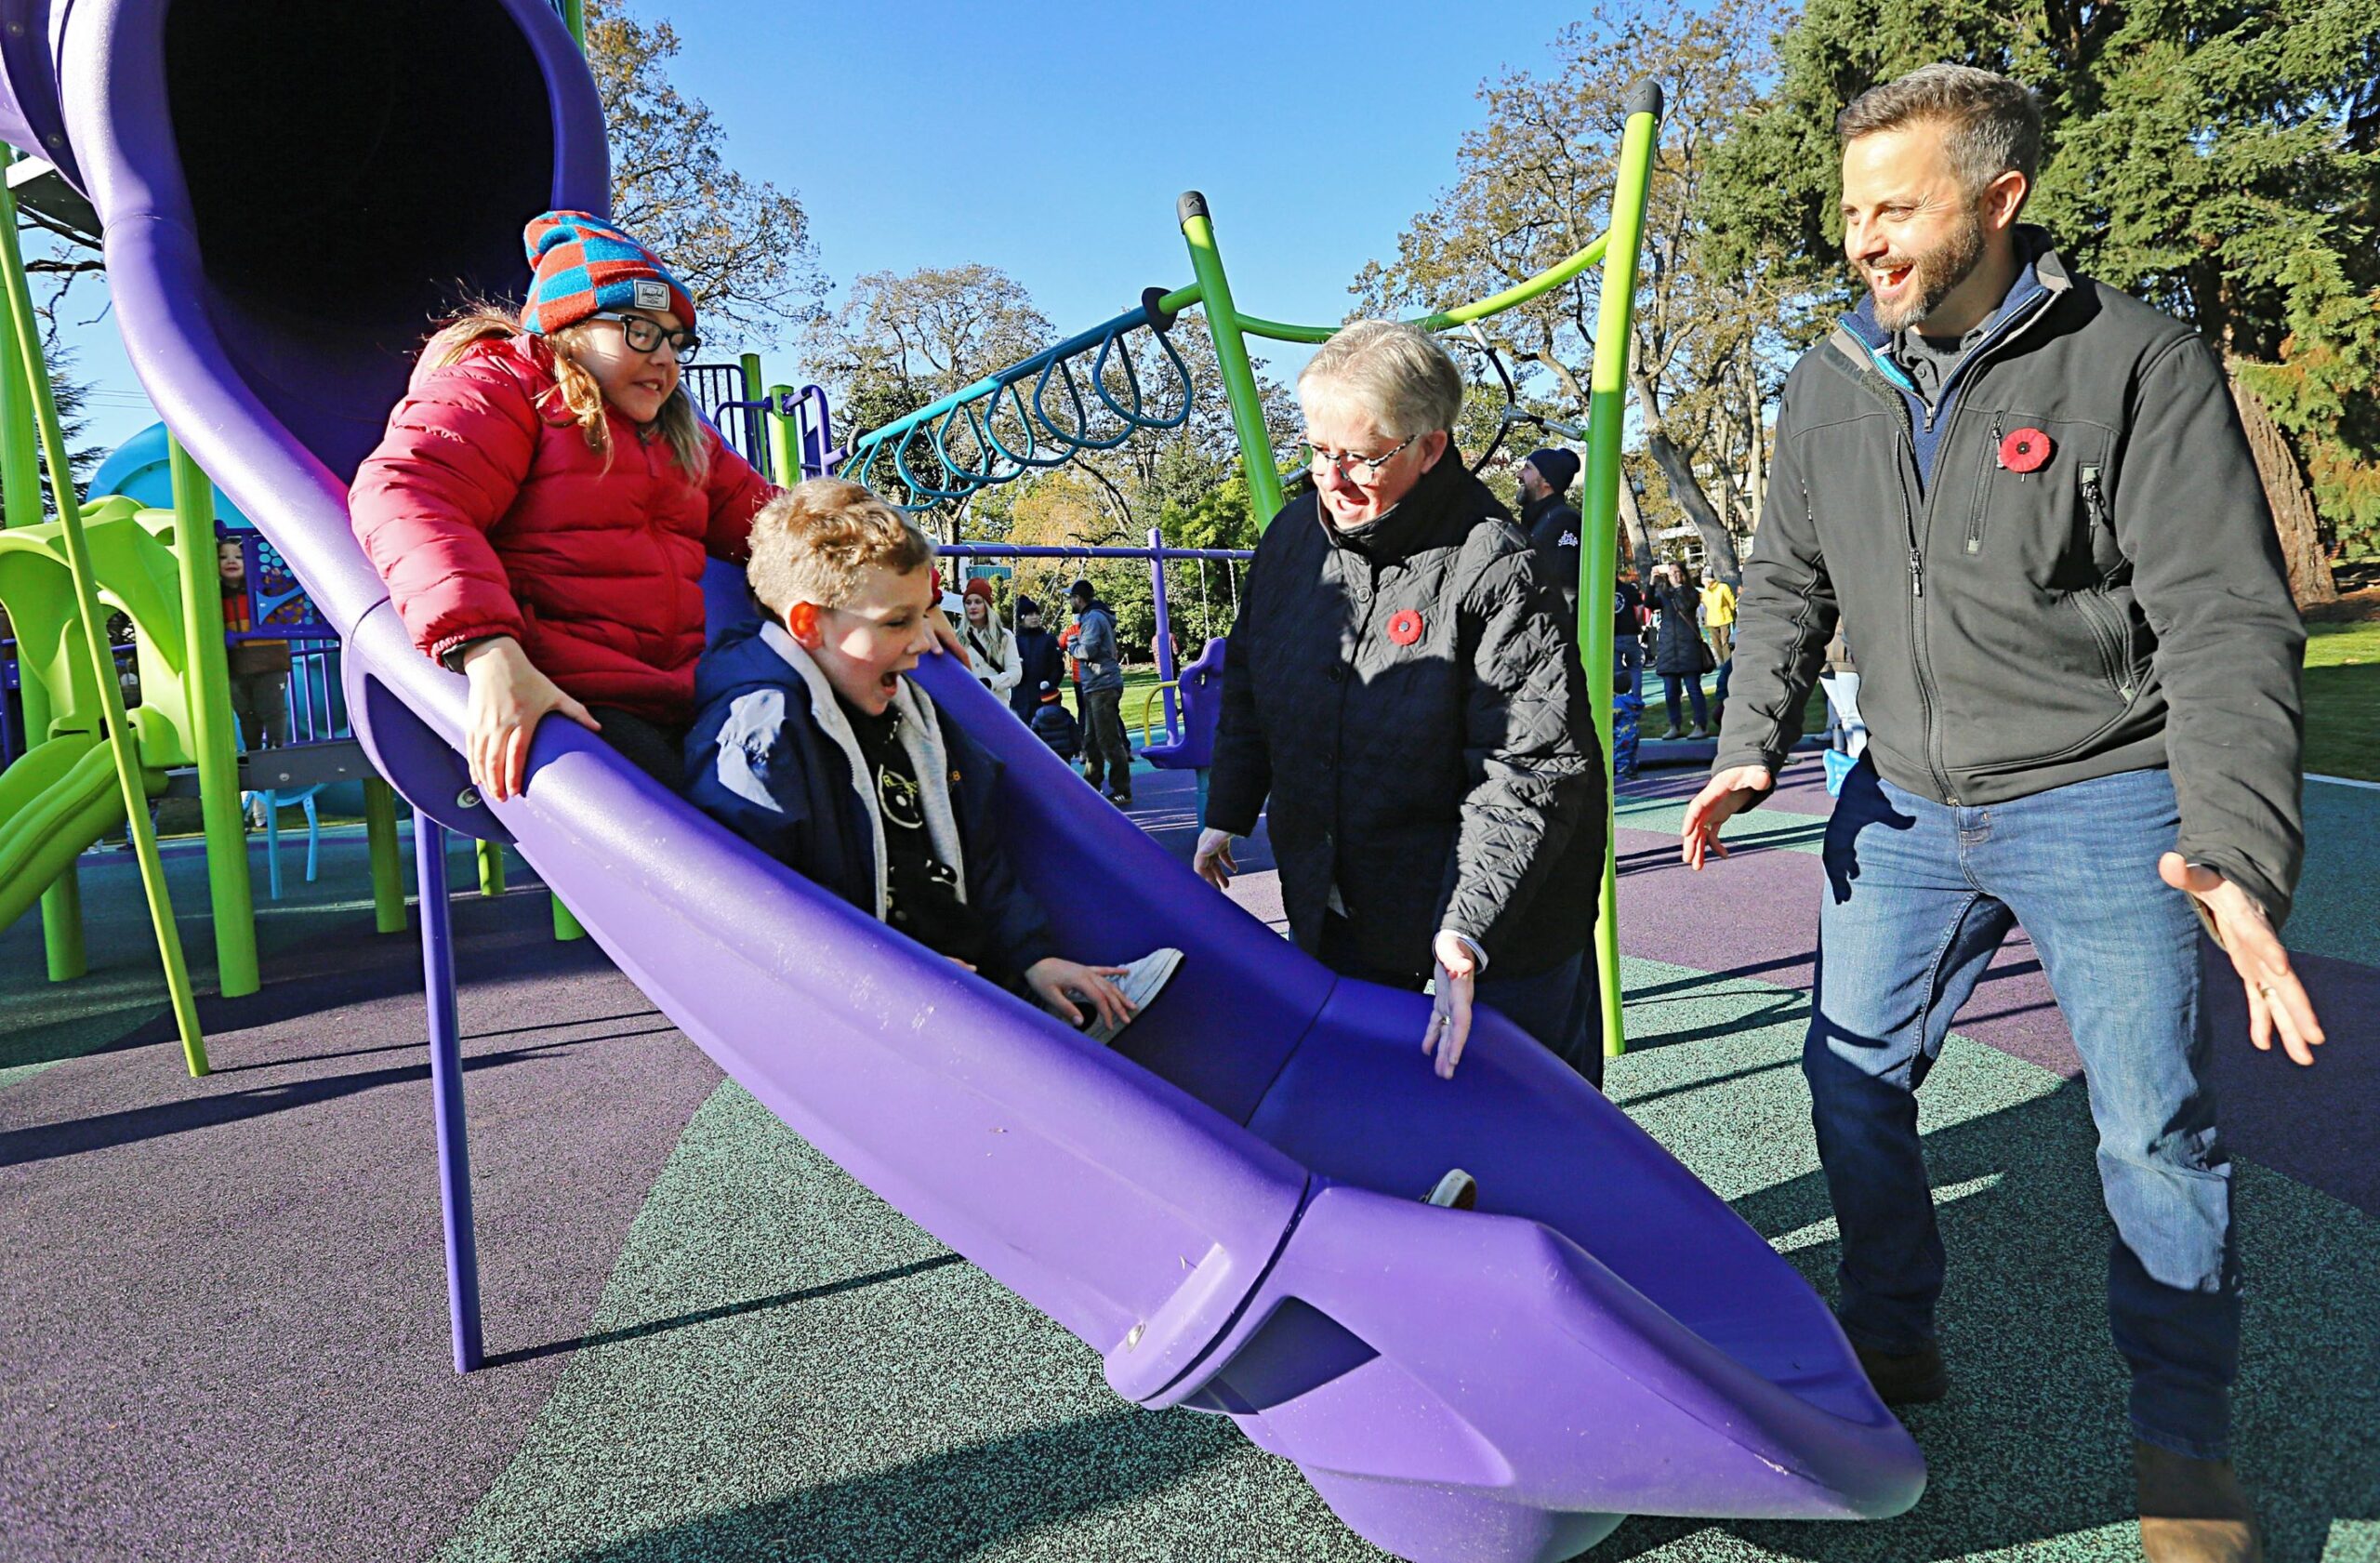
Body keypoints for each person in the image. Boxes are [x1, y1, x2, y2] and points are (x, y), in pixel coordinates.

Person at [1677, 66, 2320, 1563]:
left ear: (2001, 199)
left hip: (2104, 795)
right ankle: (1892, 1338)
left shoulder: (2133, 365)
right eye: (1853, 211)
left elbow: (2225, 619)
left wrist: (2229, 851)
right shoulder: (1830, 379)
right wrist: (1747, 742)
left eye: (1894, 208)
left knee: (2154, 1129)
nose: (1865, 240)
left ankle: (2183, 1459)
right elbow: (1786, 580)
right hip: (1897, 802)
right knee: (1848, 1087)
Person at [1192, 320, 1606, 1084]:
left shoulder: (1497, 567)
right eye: (1318, 451)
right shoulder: (1291, 541)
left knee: (1520, 1123)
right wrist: (1229, 807)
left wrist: (1468, 928)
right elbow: (1254, 674)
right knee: (1365, 1106)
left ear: (1429, 446)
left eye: (1360, 457)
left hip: (1501, 915)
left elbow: (1528, 766)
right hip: (1348, 891)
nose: (1332, 478)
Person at [683, 480, 1178, 1044]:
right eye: (898, 622)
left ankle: (1031, 1007)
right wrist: (893, 980)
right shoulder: (766, 732)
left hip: (959, 972)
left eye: (926, 614)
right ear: (808, 625)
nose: (923, 641)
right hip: (867, 1005)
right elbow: (757, 908)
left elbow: (976, 849)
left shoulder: (914, 712)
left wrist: (1030, 957)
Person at [350, 210, 774, 801]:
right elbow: (407, 490)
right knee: (703, 835)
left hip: (684, 697)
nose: (665, 359)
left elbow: (777, 524)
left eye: (678, 343)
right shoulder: (505, 389)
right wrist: (489, 649)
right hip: (568, 697)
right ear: (569, 328)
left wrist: (904, 589)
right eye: (641, 331)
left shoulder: (684, 437)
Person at [216, 536, 291, 749]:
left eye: (239, 557)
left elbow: (288, 615)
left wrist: (278, 587)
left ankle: (276, 747)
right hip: (235, 663)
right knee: (246, 712)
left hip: (269, 659)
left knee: (272, 708)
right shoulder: (215, 595)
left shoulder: (262, 589)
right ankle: (254, 750)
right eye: (223, 557)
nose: (231, 561)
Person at [1068, 577, 1132, 807]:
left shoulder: (1093, 618)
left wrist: (1072, 645)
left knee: (1107, 740)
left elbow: (1087, 650)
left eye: (1071, 597)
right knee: (1092, 739)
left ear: (1079, 599)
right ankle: (1092, 783)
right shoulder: (1094, 616)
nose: (1070, 601)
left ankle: (1121, 789)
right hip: (1096, 684)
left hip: (1102, 684)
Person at [1516, 446, 1583, 619]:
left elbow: (1566, 591)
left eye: (1528, 468)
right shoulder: (1540, 521)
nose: (1519, 474)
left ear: (1546, 481)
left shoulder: (1563, 522)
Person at [1649, 562, 1710, 739]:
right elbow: (1649, 604)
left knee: (1693, 689)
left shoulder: (1692, 593)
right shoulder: (1664, 594)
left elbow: (1685, 605)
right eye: (1671, 573)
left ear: (1684, 574)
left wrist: (1677, 587)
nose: (1674, 576)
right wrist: (1652, 581)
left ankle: (1701, 725)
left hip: (1688, 647)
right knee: (1670, 692)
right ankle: (1674, 725)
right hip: (1668, 648)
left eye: (1677, 572)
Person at [957, 578, 1021, 706]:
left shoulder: (1004, 636)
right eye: (968, 603)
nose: (973, 606)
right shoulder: (956, 637)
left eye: (978, 602)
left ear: (986, 605)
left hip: (997, 705)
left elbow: (1015, 673)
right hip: (966, 705)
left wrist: (990, 682)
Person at [1008, 596, 1065, 725]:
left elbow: (1058, 666)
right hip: (1021, 698)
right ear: (1022, 618)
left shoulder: (1048, 639)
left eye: (1036, 614)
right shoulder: (1014, 642)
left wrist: (1050, 686)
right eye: (1030, 614)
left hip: (1045, 696)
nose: (1034, 617)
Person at [1698, 570, 1737, 722]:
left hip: (1724, 618)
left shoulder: (1723, 587)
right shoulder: (1705, 592)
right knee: (1716, 644)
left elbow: (1731, 601)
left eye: (1707, 579)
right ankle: (1721, 663)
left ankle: (1727, 664)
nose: (1705, 582)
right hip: (1712, 621)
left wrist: (1732, 614)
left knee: (1725, 642)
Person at [1613, 561, 1647, 695]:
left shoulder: (1602, 591)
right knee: (1635, 667)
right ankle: (1636, 698)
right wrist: (1638, 623)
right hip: (1630, 633)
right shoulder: (1628, 589)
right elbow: (1640, 608)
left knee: (1616, 670)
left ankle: (1620, 699)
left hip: (1613, 635)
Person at [1028, 680, 1079, 760]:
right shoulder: (1066, 715)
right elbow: (1074, 734)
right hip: (1064, 753)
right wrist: (1077, 749)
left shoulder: (1038, 718)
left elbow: (1033, 735)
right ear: (1059, 699)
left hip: (1046, 752)